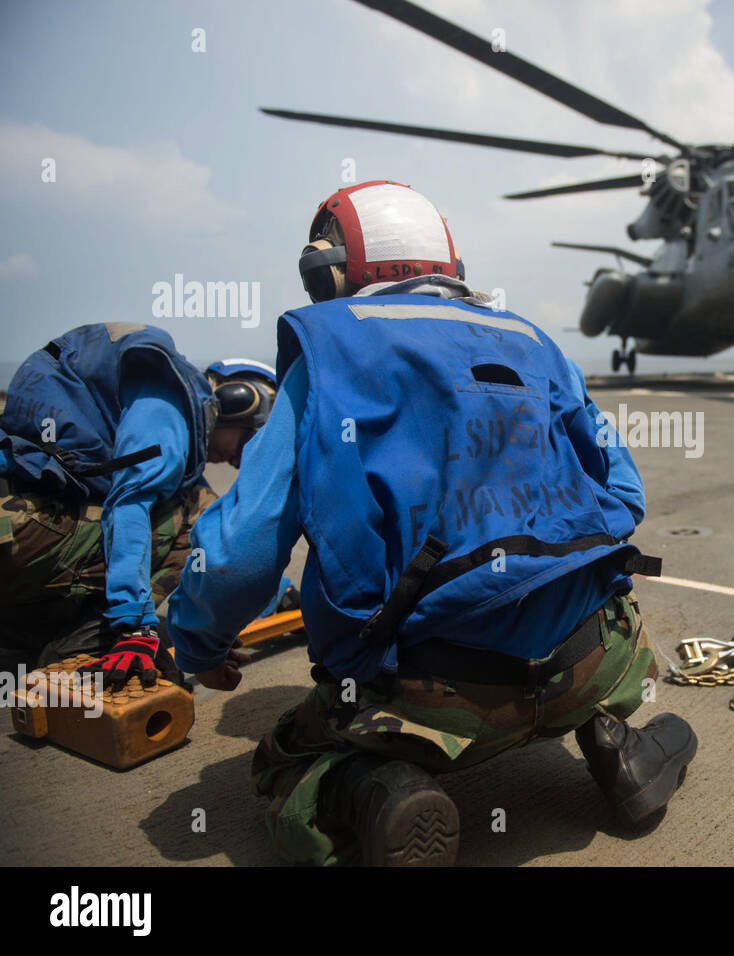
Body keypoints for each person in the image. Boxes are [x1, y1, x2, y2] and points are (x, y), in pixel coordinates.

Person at [165, 179, 697, 866]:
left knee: (282, 760)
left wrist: (197, 645)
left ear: (328, 273)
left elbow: (237, 556)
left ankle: (373, 789)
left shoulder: (330, 358)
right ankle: (615, 742)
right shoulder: (535, 345)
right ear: (451, 265)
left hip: (432, 695)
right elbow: (623, 494)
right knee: (591, 608)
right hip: (593, 662)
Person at [0, 325, 275, 685]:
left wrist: (278, 593)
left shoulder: (139, 393)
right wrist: (137, 628)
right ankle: (103, 637)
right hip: (18, 528)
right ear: (239, 400)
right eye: (242, 447)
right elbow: (129, 503)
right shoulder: (172, 402)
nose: (231, 461)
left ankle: (28, 628)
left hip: (19, 521)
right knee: (203, 514)